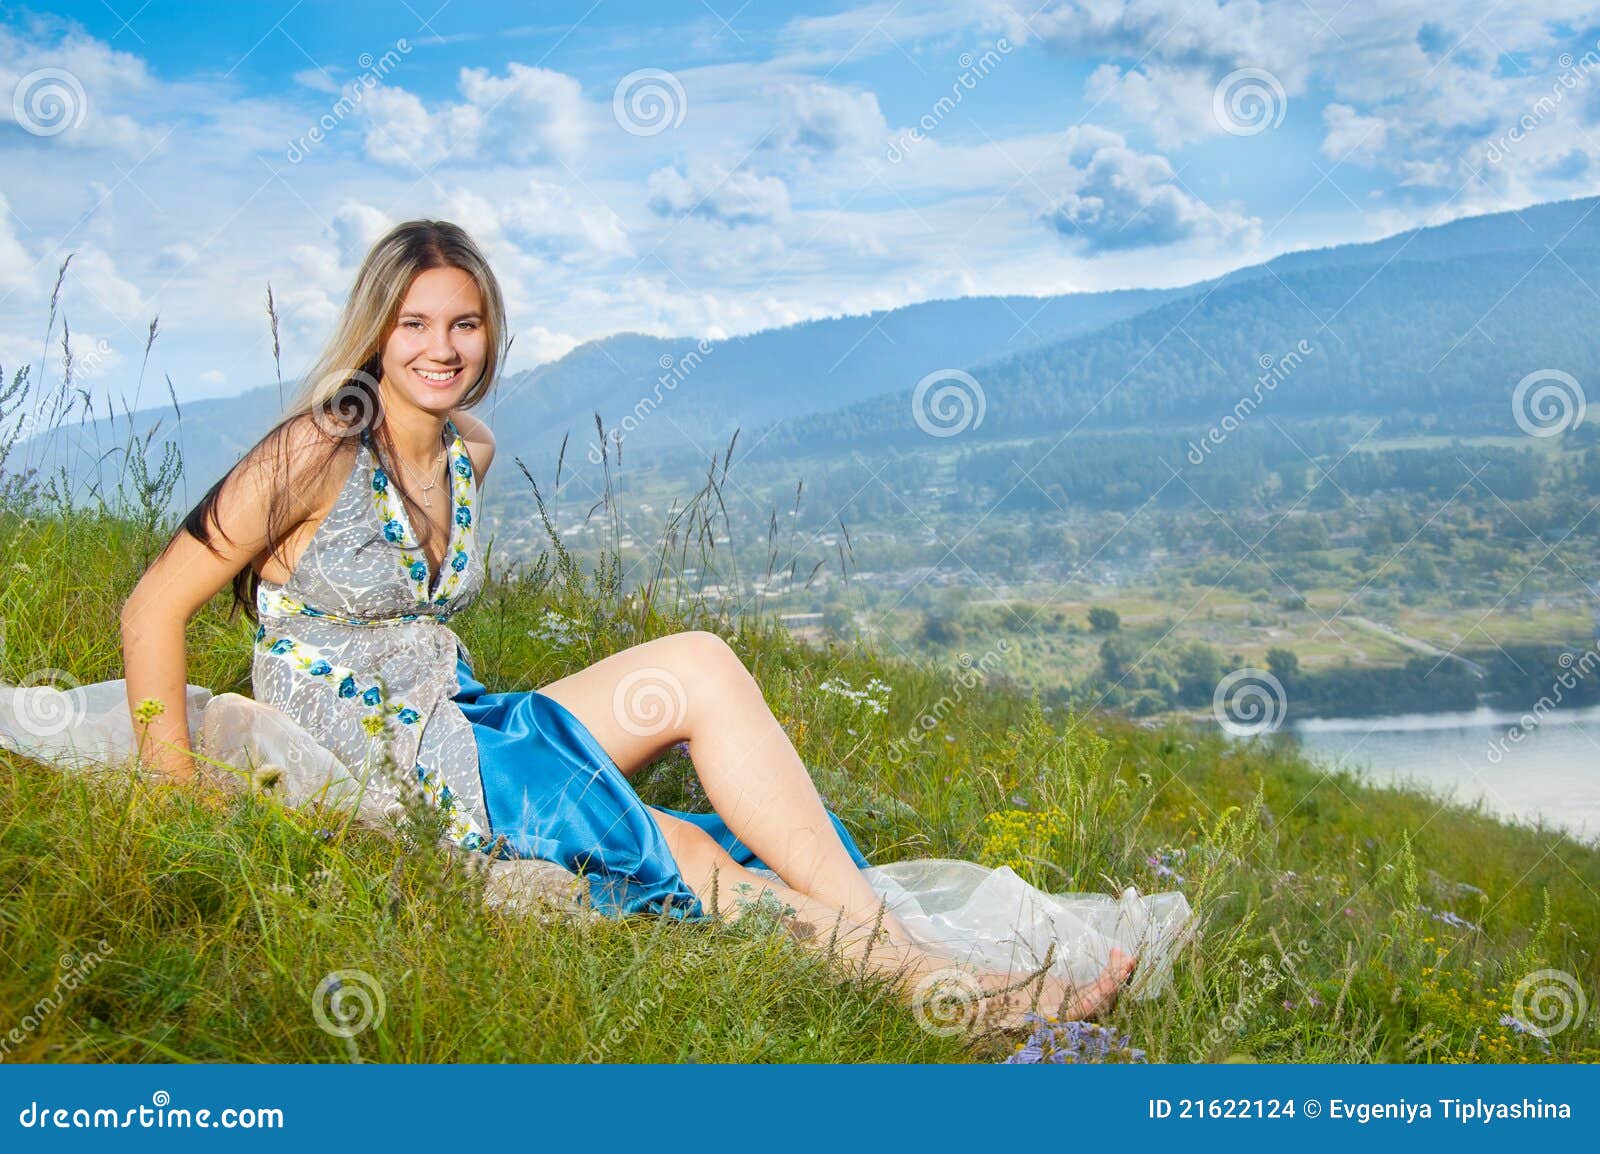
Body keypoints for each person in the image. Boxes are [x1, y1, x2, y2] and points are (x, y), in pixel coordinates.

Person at [105, 220, 1159, 1035]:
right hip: (376, 750)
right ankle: (957, 992)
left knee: (698, 659)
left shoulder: (466, 450)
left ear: (490, 332)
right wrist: (171, 779)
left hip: (464, 716)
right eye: (415, 323)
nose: (441, 347)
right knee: (688, 845)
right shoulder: (317, 448)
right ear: (376, 328)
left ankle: (896, 936)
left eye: (463, 323)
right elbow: (154, 601)